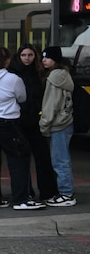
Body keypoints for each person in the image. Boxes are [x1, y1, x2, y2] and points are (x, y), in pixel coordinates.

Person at [0, 47, 45, 210]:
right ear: (8, 61)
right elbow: (22, 97)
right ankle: (21, 199)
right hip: (6, 123)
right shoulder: (13, 79)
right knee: (19, 157)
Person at [9, 44, 59, 203]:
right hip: (20, 121)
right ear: (19, 56)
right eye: (24, 55)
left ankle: (48, 192)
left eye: (30, 55)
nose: (27, 58)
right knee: (22, 159)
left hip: (36, 121)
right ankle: (26, 192)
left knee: (42, 157)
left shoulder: (40, 73)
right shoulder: (13, 73)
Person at [39, 47, 78, 207]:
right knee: (62, 159)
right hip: (66, 120)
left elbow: (50, 105)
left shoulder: (54, 78)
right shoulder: (64, 75)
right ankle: (66, 192)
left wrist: (43, 124)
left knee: (59, 160)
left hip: (58, 123)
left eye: (47, 58)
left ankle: (66, 194)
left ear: (55, 60)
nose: (43, 60)